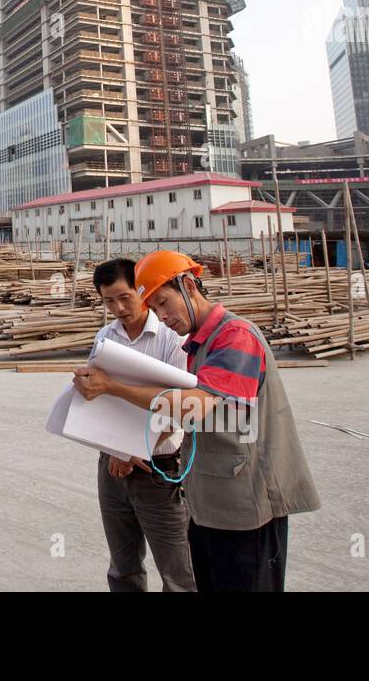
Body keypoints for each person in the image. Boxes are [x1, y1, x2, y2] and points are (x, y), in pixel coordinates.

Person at [103, 250, 321, 592]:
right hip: (207, 504)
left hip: (247, 508)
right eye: (155, 309)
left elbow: (192, 407)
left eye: (163, 303)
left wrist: (113, 386)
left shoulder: (236, 338)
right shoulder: (198, 345)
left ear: (189, 285)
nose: (162, 316)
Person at [71, 258, 196, 592]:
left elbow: (181, 407)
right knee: (123, 566)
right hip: (111, 465)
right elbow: (99, 396)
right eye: (109, 301)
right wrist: (84, 386)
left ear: (141, 290)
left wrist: (132, 450)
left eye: (125, 297)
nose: (119, 308)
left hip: (158, 467)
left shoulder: (172, 337)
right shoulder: (106, 336)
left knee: (178, 570)